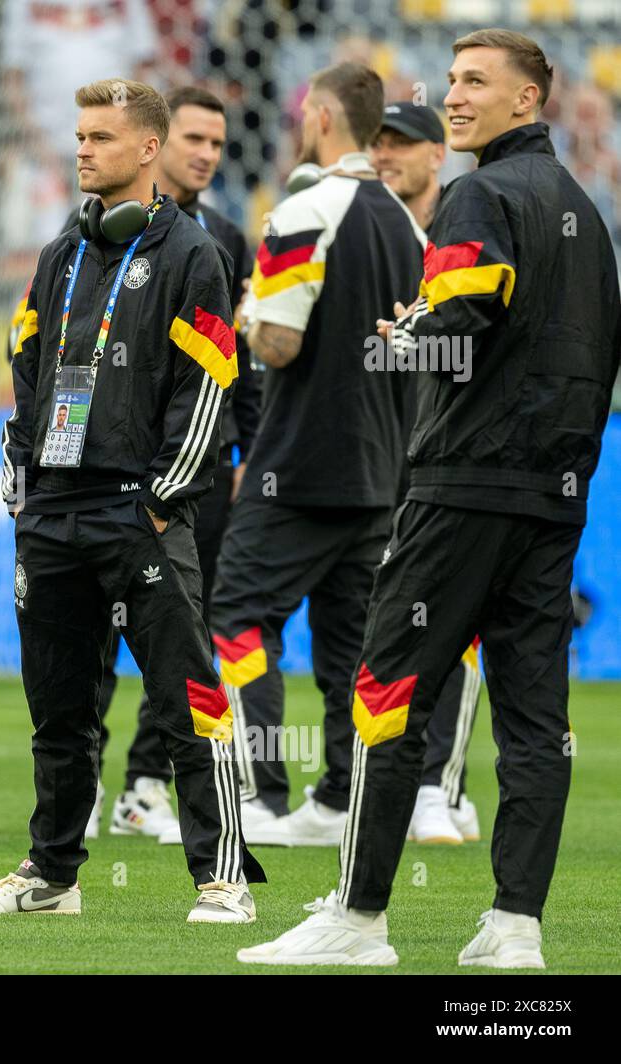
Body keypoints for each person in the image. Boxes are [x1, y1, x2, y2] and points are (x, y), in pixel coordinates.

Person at [240, 29, 621, 968]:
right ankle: (515, 928)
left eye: (475, 82)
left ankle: (359, 917)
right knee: (535, 719)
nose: (453, 95)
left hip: (462, 485)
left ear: (527, 99)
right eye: (451, 79)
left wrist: (408, 334)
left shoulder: (479, 194)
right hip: (554, 495)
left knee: (387, 693)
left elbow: (460, 317)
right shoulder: (584, 210)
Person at [0, 79, 263, 921]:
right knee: (59, 711)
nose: (82, 149)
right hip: (53, 513)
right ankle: (52, 875)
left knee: (187, 701)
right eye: (80, 134)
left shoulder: (193, 253)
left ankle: (223, 880)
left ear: (148, 148)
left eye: (99, 136)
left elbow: (209, 385)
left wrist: (160, 499)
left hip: (140, 513)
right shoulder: (62, 251)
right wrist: (25, 484)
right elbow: (26, 371)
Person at [212, 63, 426, 847]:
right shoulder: (410, 227)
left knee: (237, 615)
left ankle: (258, 795)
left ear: (324, 117)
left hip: (300, 464)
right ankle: (340, 798)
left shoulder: (305, 210)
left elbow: (279, 341)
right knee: (349, 641)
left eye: (307, 113)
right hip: (381, 469)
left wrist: (248, 311)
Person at [88, 85, 264, 845]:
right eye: (195, 138)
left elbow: (237, 362)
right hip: (104, 469)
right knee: (91, 632)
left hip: (192, 470)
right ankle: (85, 783)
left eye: (218, 144)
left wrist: (243, 449)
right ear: (157, 145)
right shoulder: (88, 235)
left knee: (182, 634)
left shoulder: (223, 239)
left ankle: (144, 785)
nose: (207, 154)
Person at [372, 100, 483, 846]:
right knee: (383, 630)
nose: (387, 154)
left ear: (437, 154)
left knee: (453, 622)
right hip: (369, 461)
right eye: (379, 142)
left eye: (403, 143)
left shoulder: (463, 230)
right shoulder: (364, 230)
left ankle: (437, 786)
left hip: (443, 458)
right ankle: (384, 784)